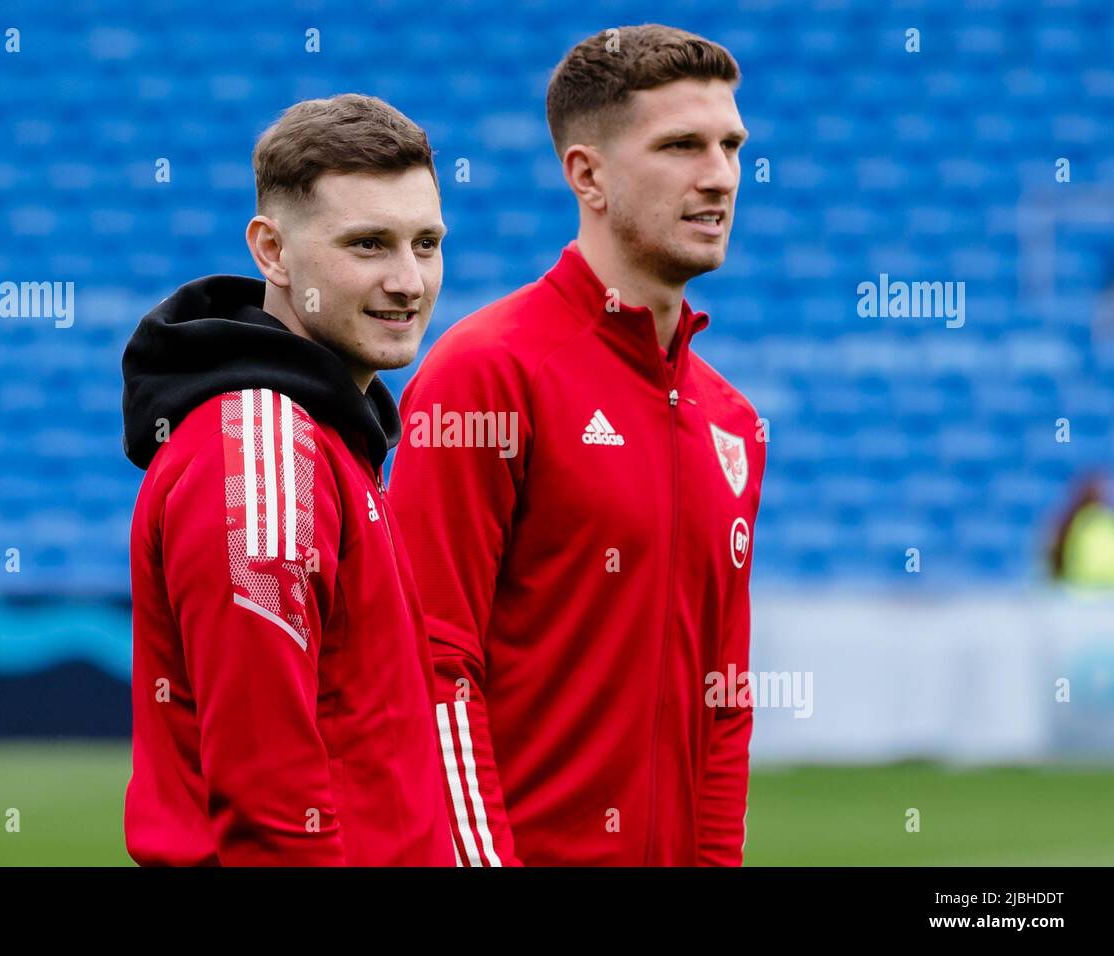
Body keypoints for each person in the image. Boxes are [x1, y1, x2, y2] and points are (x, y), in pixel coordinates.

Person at [389, 25, 766, 865]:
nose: (720, 176)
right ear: (587, 175)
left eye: (731, 146)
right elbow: (433, 672)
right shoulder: (484, 375)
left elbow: (724, 697)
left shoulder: (732, 422)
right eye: (680, 146)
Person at [122, 94, 455, 865]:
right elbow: (270, 797)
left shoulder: (324, 437)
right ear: (272, 252)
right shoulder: (261, 450)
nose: (409, 280)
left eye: (427, 243)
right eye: (369, 244)